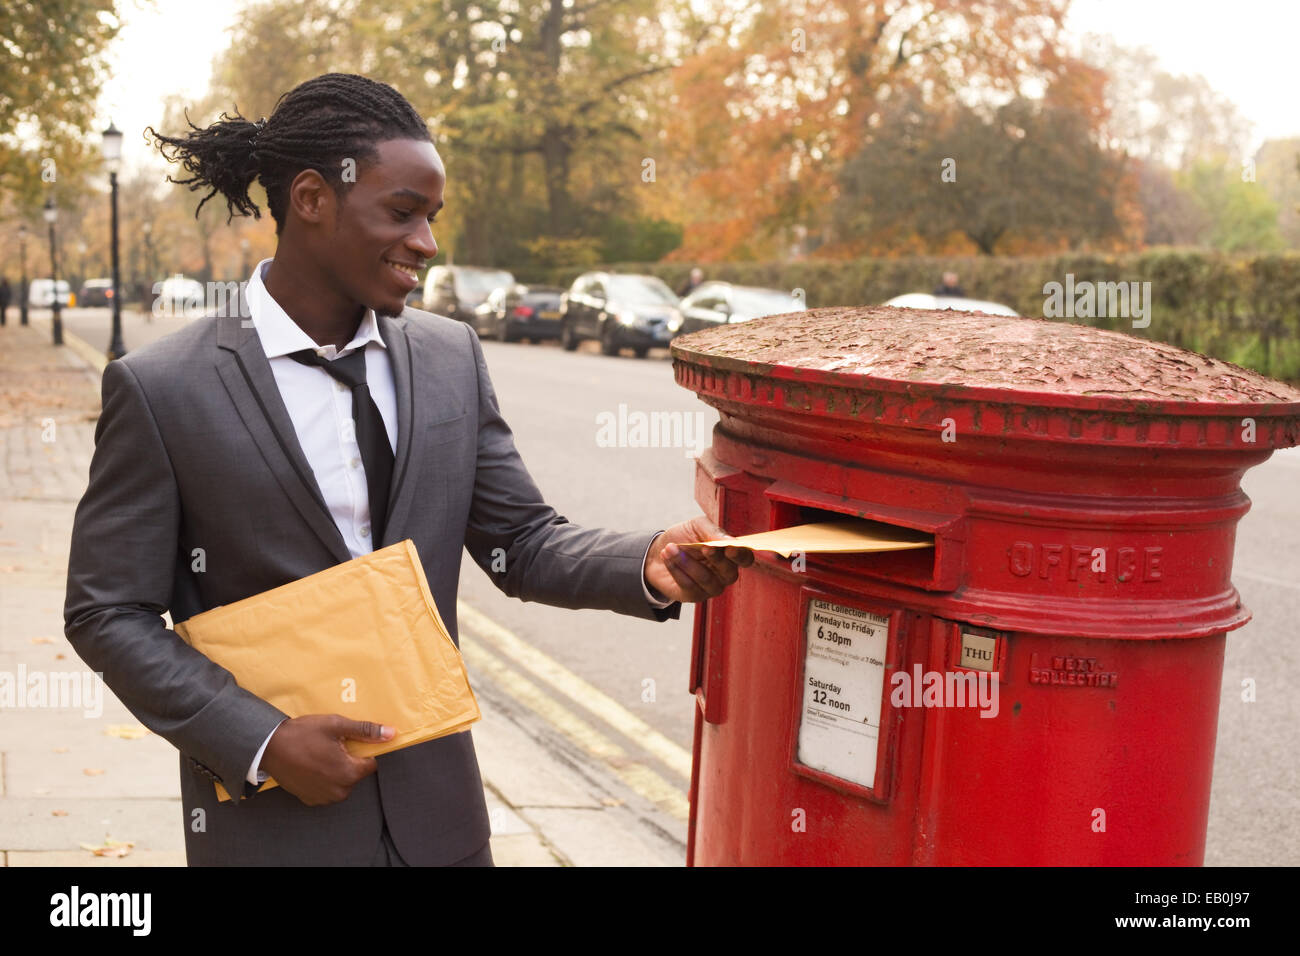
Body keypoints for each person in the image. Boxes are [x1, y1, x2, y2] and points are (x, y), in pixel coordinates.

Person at [63, 73, 753, 867]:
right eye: (402, 212)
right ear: (312, 198)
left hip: (442, 828)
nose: (425, 242)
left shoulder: (449, 356)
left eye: (432, 218)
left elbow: (521, 542)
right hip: (275, 834)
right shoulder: (163, 389)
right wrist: (261, 740)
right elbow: (107, 612)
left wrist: (649, 561)